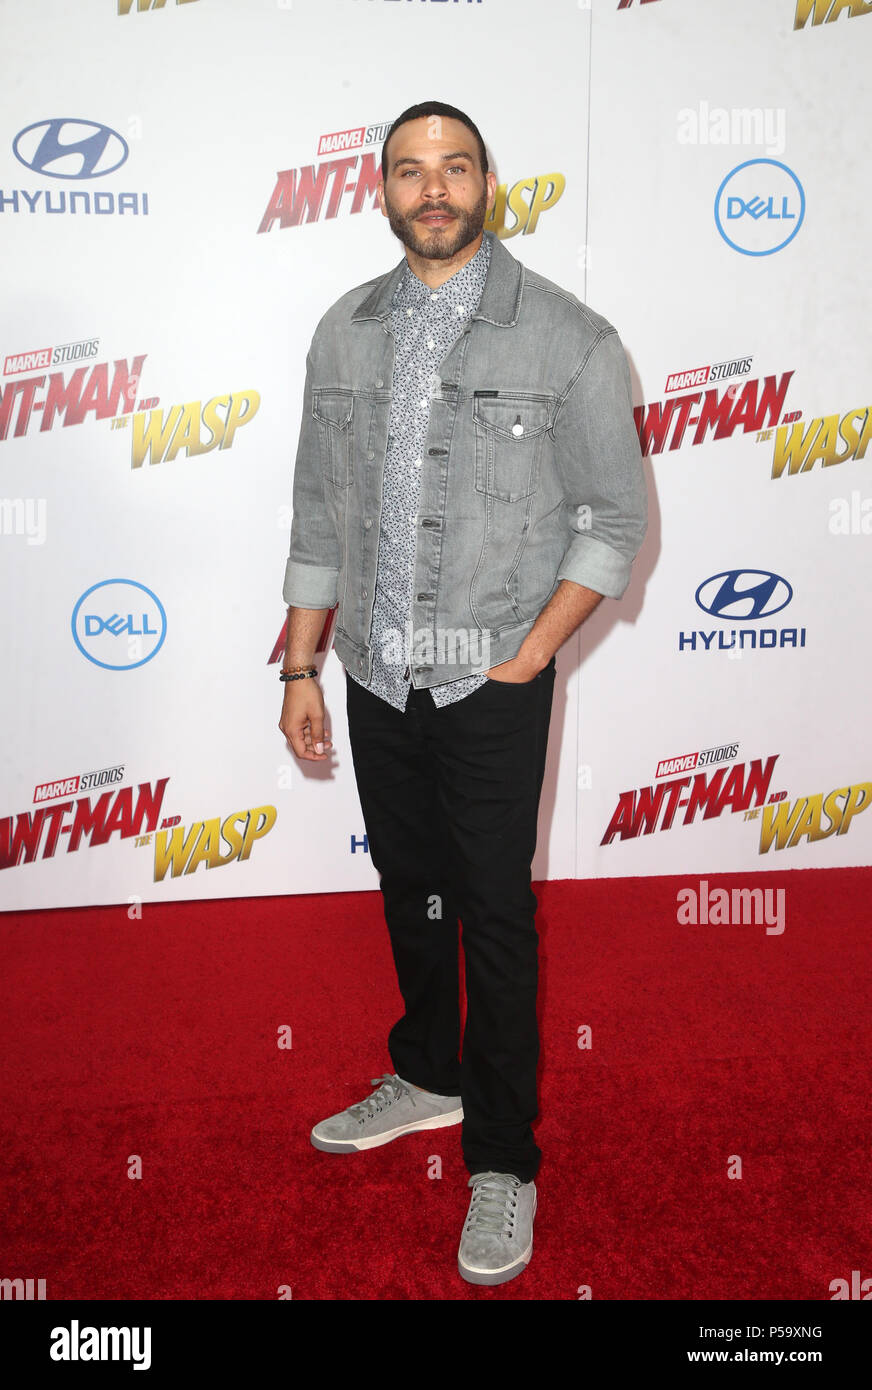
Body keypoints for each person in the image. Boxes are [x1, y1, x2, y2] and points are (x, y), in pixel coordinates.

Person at [279, 101, 647, 1287]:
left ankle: (501, 1156)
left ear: (487, 182)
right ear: (379, 189)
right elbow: (319, 514)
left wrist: (530, 654)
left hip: (487, 670)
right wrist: (301, 661)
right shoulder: (342, 333)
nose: (430, 189)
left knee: (491, 911)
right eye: (407, 170)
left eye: (452, 168)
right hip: (375, 669)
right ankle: (428, 1074)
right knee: (410, 887)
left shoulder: (569, 338)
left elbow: (612, 521)